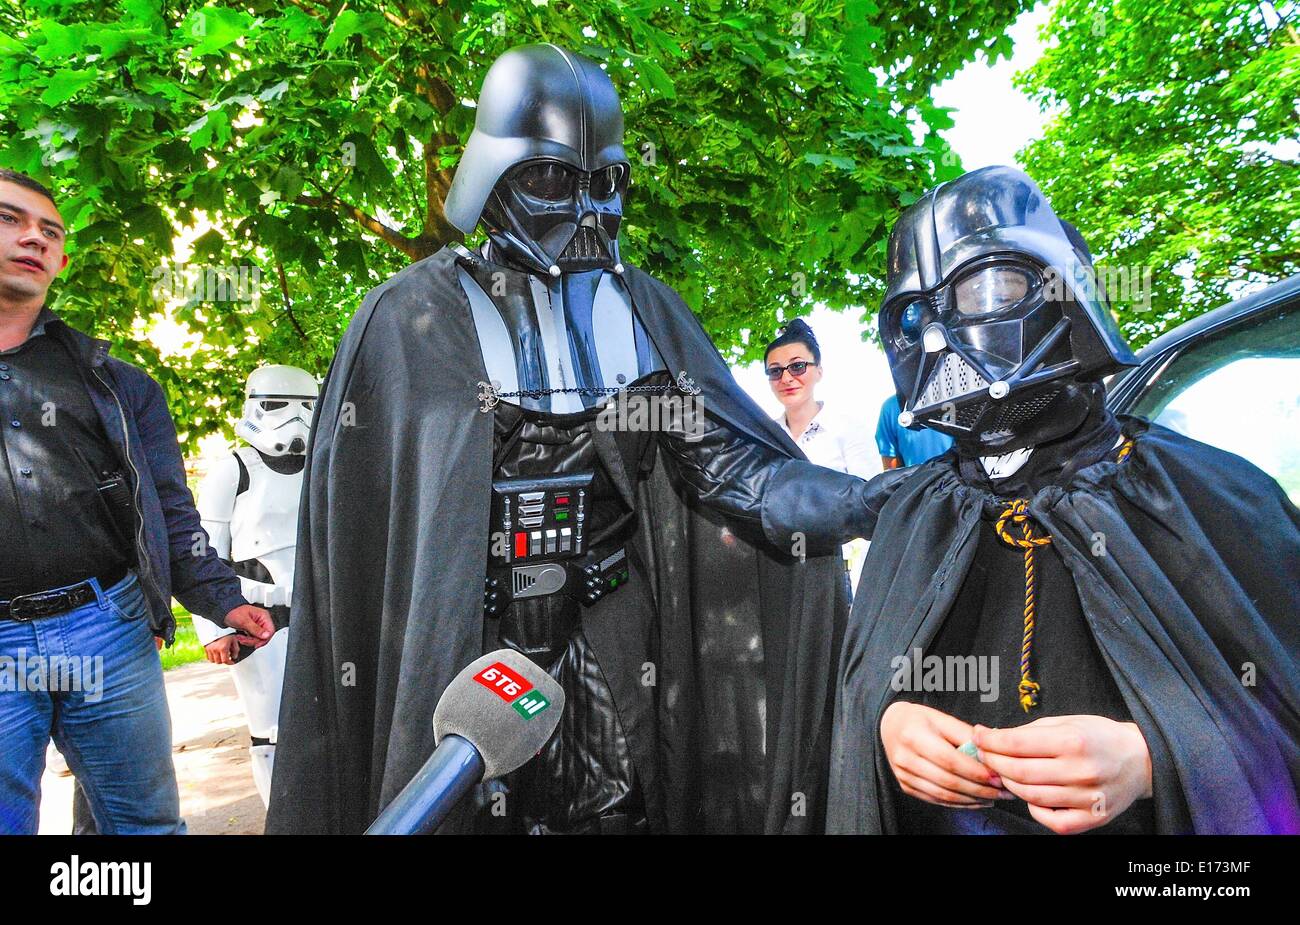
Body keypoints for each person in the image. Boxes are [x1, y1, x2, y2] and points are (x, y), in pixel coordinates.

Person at [267, 45, 887, 835]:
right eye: (555, 180)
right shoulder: (405, 322)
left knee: (615, 812)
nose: (588, 212)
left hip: (605, 636)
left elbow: (738, 472)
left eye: (607, 184)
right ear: (491, 175)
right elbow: (363, 532)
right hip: (460, 645)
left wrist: (867, 500)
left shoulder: (644, 313)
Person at [829, 165, 1300, 835]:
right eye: (915, 313)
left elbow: (1285, 711)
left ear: (1063, 285)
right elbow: (862, 693)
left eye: (988, 288)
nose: (942, 339)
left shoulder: (1209, 497)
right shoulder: (915, 517)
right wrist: (888, 722)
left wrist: (1157, 758)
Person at [0, 169, 275, 835]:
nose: (34, 236)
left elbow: (168, 512)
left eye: (50, 230)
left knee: (144, 832)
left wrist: (219, 594)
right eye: (11, 219)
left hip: (107, 626)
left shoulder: (117, 384)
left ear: (62, 261)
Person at [194, 365, 317, 806]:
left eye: (308, 405)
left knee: (325, 722)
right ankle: (280, 816)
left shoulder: (324, 466)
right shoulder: (233, 469)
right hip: (257, 619)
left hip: (319, 613)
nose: (295, 416)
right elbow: (204, 552)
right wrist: (215, 627)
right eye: (278, 404)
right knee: (270, 732)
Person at [765, 319, 876, 595]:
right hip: (779, 568)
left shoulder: (847, 429)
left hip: (839, 569)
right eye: (775, 371)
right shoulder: (765, 437)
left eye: (798, 366)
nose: (787, 378)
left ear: (819, 372)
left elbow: (873, 501)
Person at [875, 394, 953, 469]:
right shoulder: (890, 408)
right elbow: (892, 474)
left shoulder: (957, 396)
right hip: (920, 481)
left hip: (957, 479)